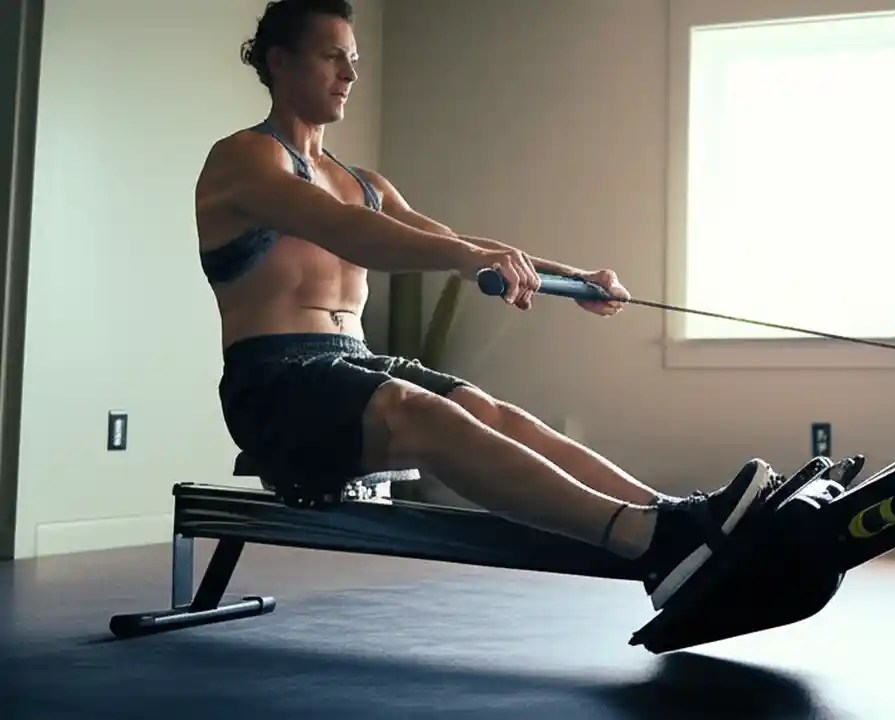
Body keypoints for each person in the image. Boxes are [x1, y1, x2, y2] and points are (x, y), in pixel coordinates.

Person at [194, 0, 784, 611]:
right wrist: (460, 261)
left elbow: (461, 244)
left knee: (487, 410)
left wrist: (573, 278)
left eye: (354, 61)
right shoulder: (244, 159)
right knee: (415, 409)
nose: (349, 74)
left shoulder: (362, 182)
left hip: (352, 366)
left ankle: (680, 519)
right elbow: (347, 231)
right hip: (275, 387)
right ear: (281, 62)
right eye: (331, 58)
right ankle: (651, 543)